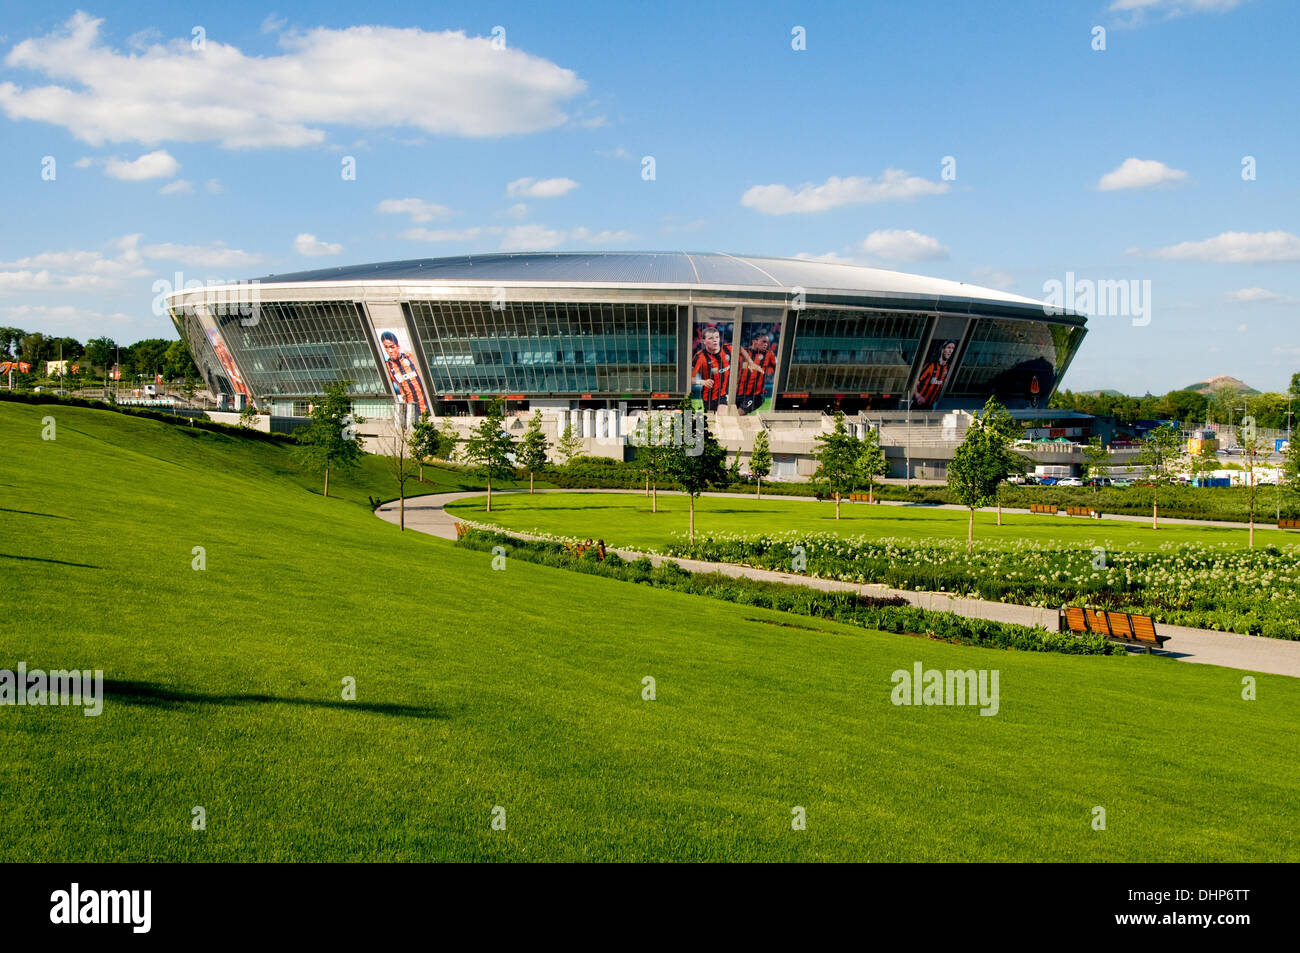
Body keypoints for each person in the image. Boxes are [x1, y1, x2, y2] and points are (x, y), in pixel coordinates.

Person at [379, 331, 429, 414]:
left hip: (428, 408)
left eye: (392, 347)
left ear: (398, 346)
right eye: (386, 347)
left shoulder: (411, 357)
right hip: (410, 411)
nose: (390, 350)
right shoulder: (388, 367)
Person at [735, 331, 777, 415]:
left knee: (738, 413)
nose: (766, 344)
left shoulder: (769, 355)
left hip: (755, 395)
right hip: (737, 394)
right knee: (726, 414)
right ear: (754, 341)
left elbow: (777, 368)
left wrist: (768, 372)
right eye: (763, 341)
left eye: (767, 342)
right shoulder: (742, 353)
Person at [691, 325, 731, 412]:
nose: (715, 340)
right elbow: (690, 379)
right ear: (704, 341)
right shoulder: (699, 357)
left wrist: (750, 362)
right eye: (711, 338)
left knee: (722, 416)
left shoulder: (728, 349)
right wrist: (702, 382)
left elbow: (742, 350)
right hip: (708, 397)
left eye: (717, 337)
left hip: (724, 394)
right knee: (710, 421)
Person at [912, 339, 956, 409]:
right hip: (918, 404)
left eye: (953, 348)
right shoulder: (930, 366)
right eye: (949, 347)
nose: (951, 351)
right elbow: (915, 382)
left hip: (931, 406)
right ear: (942, 349)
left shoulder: (947, 368)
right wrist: (917, 395)